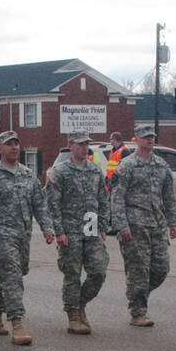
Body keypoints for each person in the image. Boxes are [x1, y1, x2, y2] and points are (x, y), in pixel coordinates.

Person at [0, 130, 55, 345]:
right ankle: (17, 325)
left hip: (23, 236)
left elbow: (39, 204)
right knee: (12, 277)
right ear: (0, 149)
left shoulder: (28, 175)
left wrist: (48, 228)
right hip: (1, 236)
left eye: (16, 144)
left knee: (16, 275)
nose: (14, 147)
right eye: (9, 144)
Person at [110, 124, 176, 327]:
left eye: (152, 137)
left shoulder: (161, 165)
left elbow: (169, 196)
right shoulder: (127, 165)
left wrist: (174, 221)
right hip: (135, 226)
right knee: (138, 270)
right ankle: (138, 311)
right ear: (137, 140)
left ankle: (136, 294)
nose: (150, 140)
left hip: (157, 224)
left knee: (161, 268)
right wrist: (121, 225)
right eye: (145, 137)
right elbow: (117, 197)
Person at [46, 132, 110, 334]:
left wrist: (103, 226)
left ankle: (80, 303)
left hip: (91, 228)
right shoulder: (60, 172)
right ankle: (73, 315)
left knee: (98, 271)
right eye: (81, 144)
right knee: (72, 274)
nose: (85, 148)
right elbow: (52, 204)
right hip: (70, 230)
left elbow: (103, 199)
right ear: (71, 146)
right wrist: (59, 231)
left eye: (87, 144)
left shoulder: (95, 170)